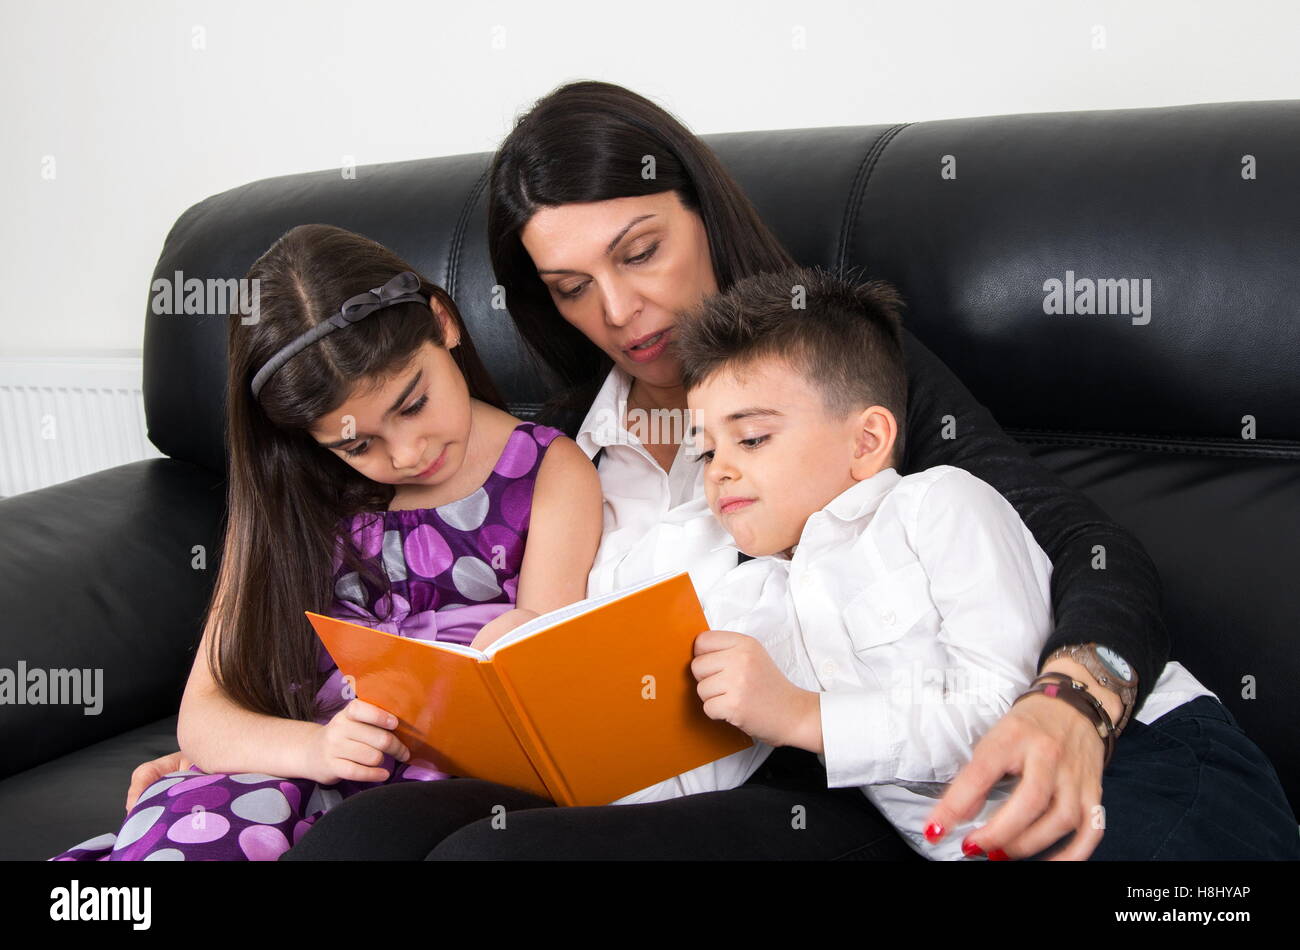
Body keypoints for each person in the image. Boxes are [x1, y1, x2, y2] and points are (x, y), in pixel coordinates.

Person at [611, 264, 1284, 860]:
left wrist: (800, 716)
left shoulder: (937, 506)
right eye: (704, 453)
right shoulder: (754, 596)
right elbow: (686, 780)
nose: (720, 470)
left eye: (752, 437)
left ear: (869, 439)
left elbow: (1003, 708)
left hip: (1135, 758)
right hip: (983, 840)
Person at [47, 223, 603, 861]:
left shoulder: (550, 472)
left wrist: (514, 645)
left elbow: (544, 683)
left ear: (443, 322)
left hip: (444, 784)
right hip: (290, 760)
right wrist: (311, 749)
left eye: (414, 404)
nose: (407, 453)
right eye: (356, 444)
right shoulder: (296, 501)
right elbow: (204, 719)